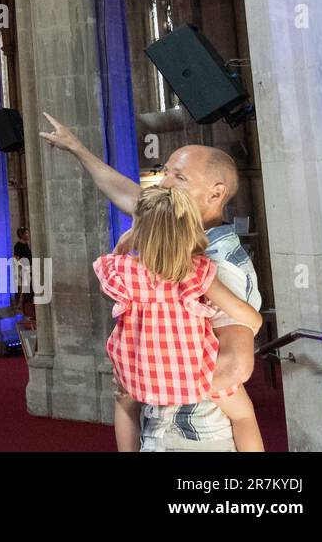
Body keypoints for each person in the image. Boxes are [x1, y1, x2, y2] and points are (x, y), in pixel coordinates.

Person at [40, 113, 263, 452]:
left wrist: (145, 379)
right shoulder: (174, 241)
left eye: (180, 177)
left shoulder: (219, 264)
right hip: (158, 433)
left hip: (195, 438)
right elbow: (133, 198)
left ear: (216, 193)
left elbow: (236, 364)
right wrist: (77, 148)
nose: (165, 183)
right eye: (167, 173)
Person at [95, 186, 263, 451]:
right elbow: (240, 311)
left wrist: (122, 248)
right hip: (192, 371)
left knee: (123, 400)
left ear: (139, 234)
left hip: (139, 372)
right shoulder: (196, 270)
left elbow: (107, 287)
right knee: (244, 415)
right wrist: (254, 323)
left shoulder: (124, 272)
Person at [12, 227, 35, 327]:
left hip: (30, 268)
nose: (28, 235)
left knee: (29, 290)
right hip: (24, 269)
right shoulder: (18, 245)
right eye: (26, 233)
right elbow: (15, 258)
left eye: (28, 233)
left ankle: (24, 309)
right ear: (21, 235)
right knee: (25, 290)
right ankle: (21, 307)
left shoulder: (26, 244)